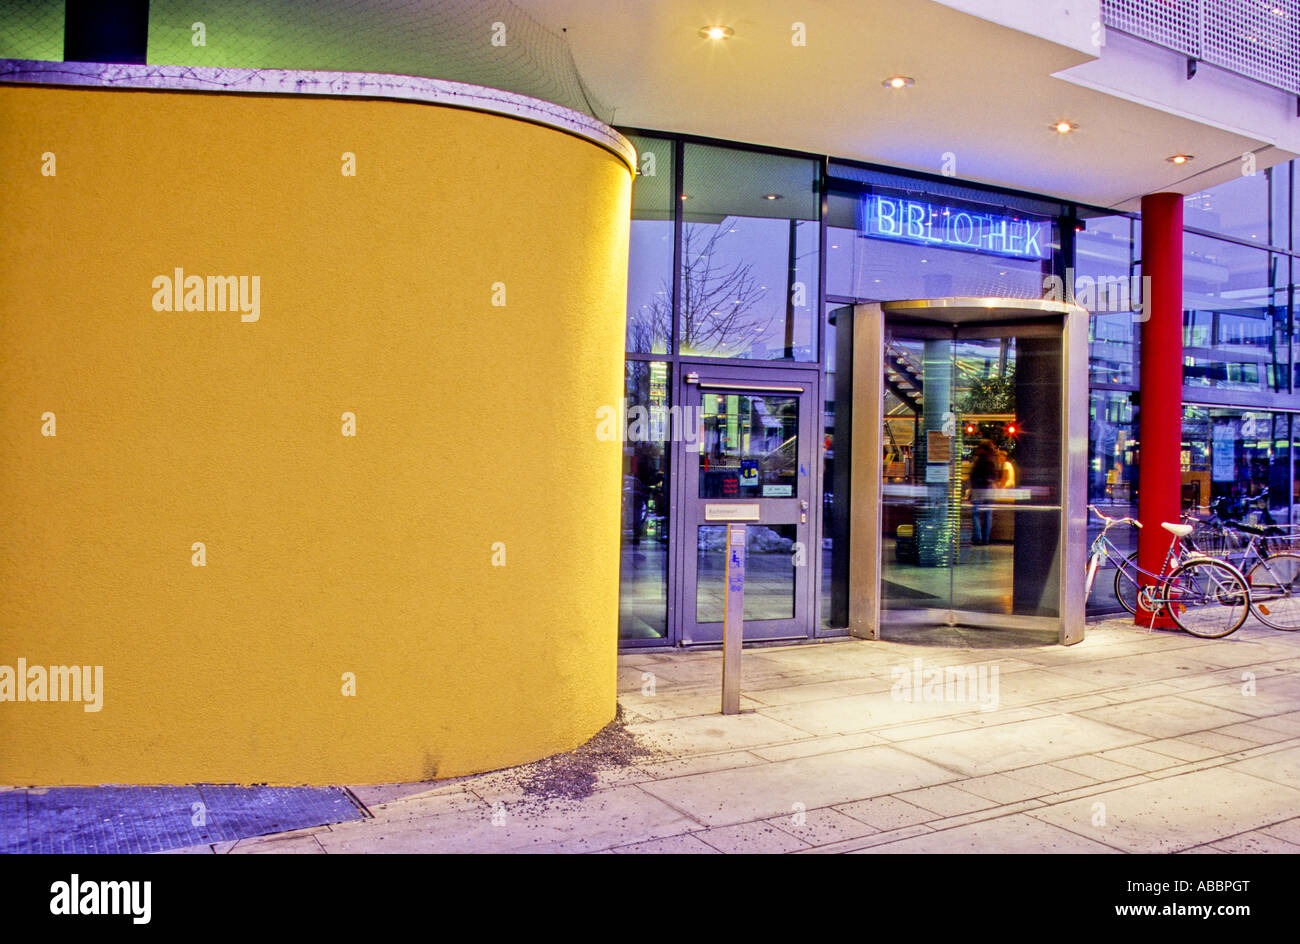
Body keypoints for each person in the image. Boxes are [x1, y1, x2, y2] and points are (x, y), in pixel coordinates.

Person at [968, 440, 1002, 545]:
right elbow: (997, 475)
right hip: (990, 488)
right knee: (988, 514)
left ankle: (978, 537)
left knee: (975, 513)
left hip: (978, 487)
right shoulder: (995, 459)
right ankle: (986, 538)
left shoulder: (980, 460)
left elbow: (974, 475)